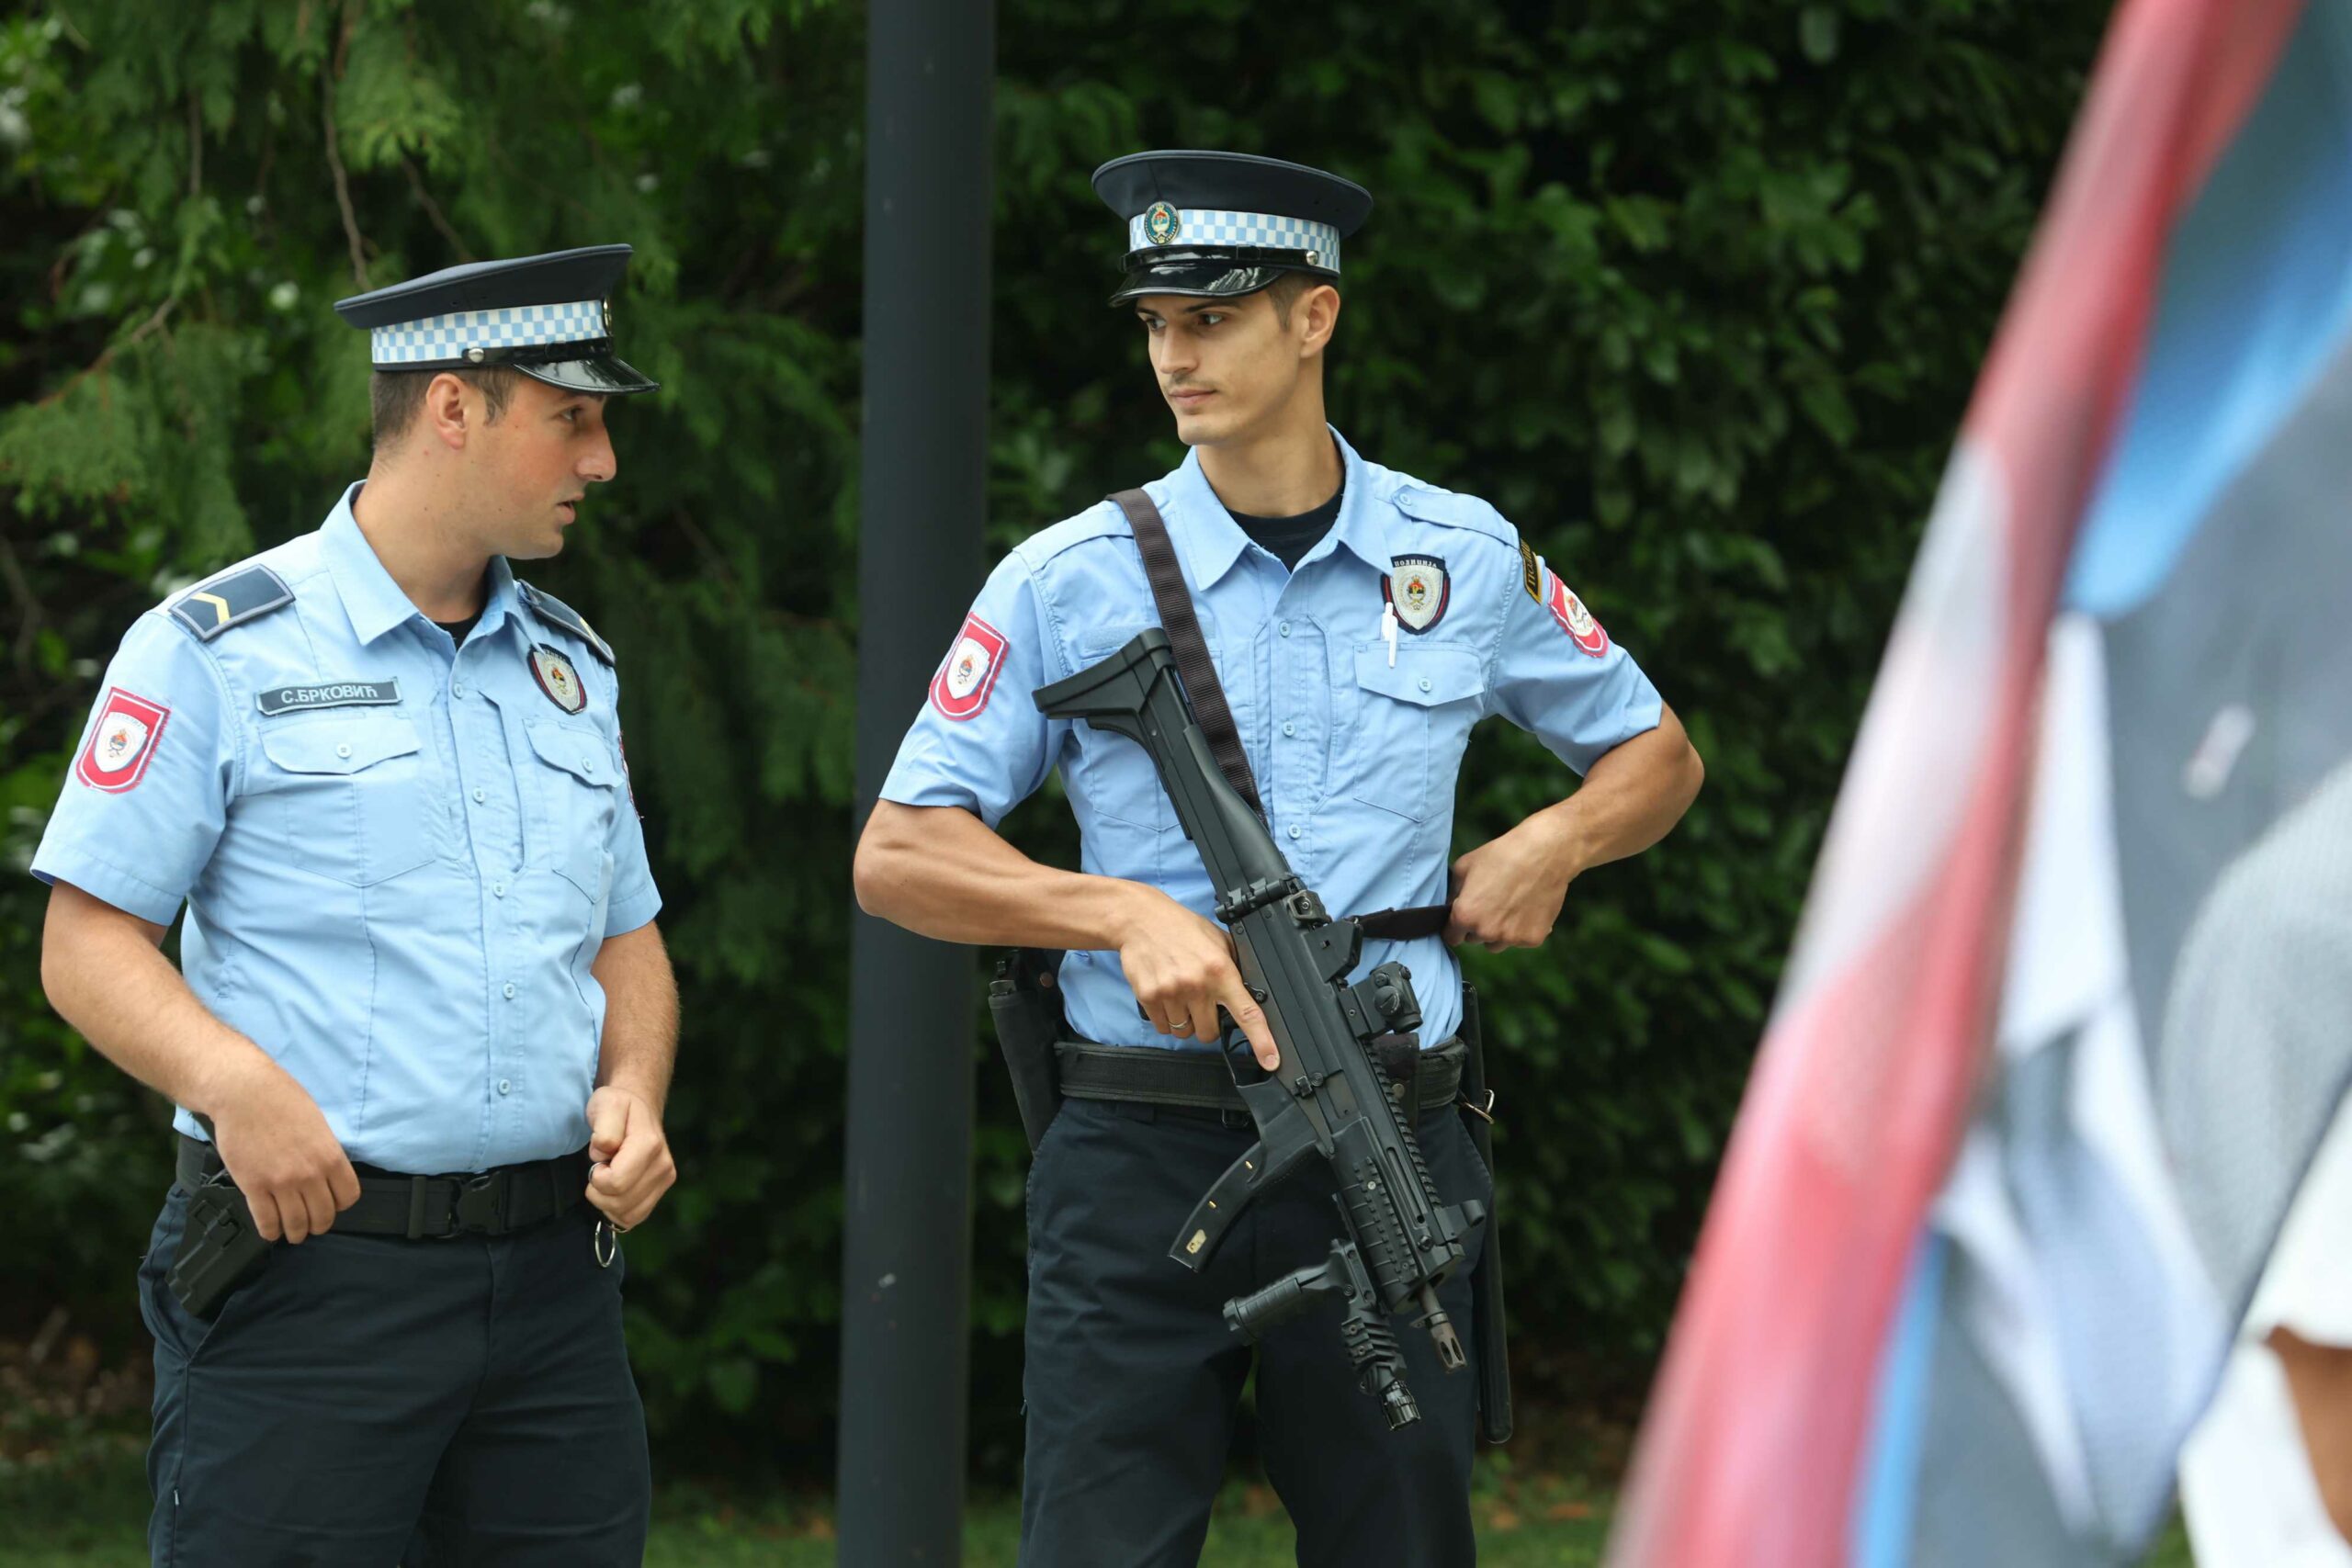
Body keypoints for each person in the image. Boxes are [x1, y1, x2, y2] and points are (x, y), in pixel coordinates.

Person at [854, 151, 1704, 1566]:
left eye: (1214, 320)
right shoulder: (1067, 579)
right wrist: (1113, 912)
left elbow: (1658, 756)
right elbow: (898, 853)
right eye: (1154, 324)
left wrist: (1555, 840)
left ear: (1314, 319)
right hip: (1140, 1151)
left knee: (1401, 1545)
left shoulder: (1459, 556)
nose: (1175, 357)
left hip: (1389, 1134)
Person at [33, 244, 680, 1565]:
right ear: (455, 408)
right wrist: (236, 1085)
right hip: (312, 1279)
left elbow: (628, 938)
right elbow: (87, 945)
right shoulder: (216, 649)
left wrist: (639, 1085)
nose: (602, 459)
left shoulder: (572, 666)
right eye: (574, 417)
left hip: (556, 1290)